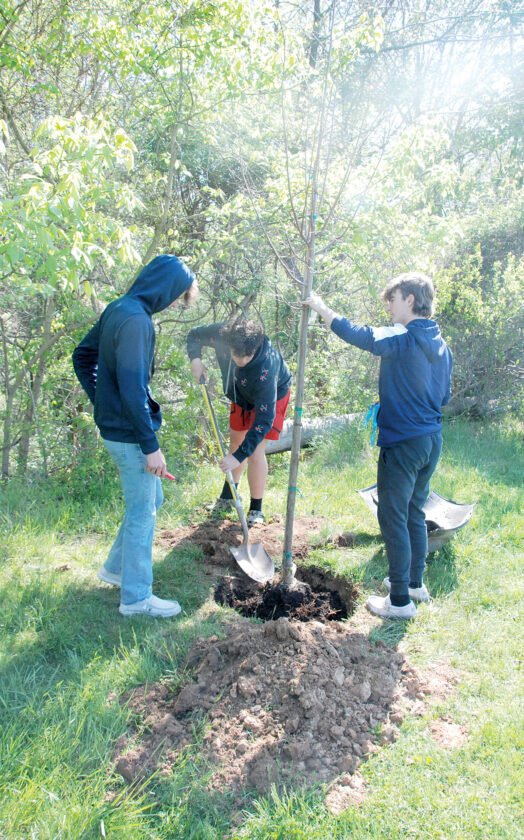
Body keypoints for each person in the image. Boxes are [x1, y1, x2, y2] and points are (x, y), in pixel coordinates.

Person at [306, 271, 452, 619]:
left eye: (393, 299)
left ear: (411, 301)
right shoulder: (441, 345)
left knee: (393, 517)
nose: (389, 306)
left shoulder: (403, 334)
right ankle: (414, 584)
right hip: (431, 440)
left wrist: (321, 308)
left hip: (403, 443)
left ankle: (399, 601)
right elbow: (444, 395)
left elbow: (362, 336)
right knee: (415, 512)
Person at [73, 254, 198, 617]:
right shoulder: (137, 322)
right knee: (144, 512)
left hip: (118, 428)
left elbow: (82, 356)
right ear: (165, 288)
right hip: (129, 436)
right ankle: (136, 599)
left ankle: (116, 569)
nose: (175, 302)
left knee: (152, 497)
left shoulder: (119, 308)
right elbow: (131, 390)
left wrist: (102, 400)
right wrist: (151, 447)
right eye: (177, 295)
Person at [187, 318, 292, 525]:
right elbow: (194, 335)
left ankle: (256, 510)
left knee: (254, 451)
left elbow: (263, 420)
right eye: (237, 355)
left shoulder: (266, 367)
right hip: (240, 391)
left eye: (248, 356)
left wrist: (239, 456)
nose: (242, 360)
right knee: (235, 443)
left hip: (272, 397)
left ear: (255, 348)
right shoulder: (221, 332)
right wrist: (195, 359)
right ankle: (228, 497)